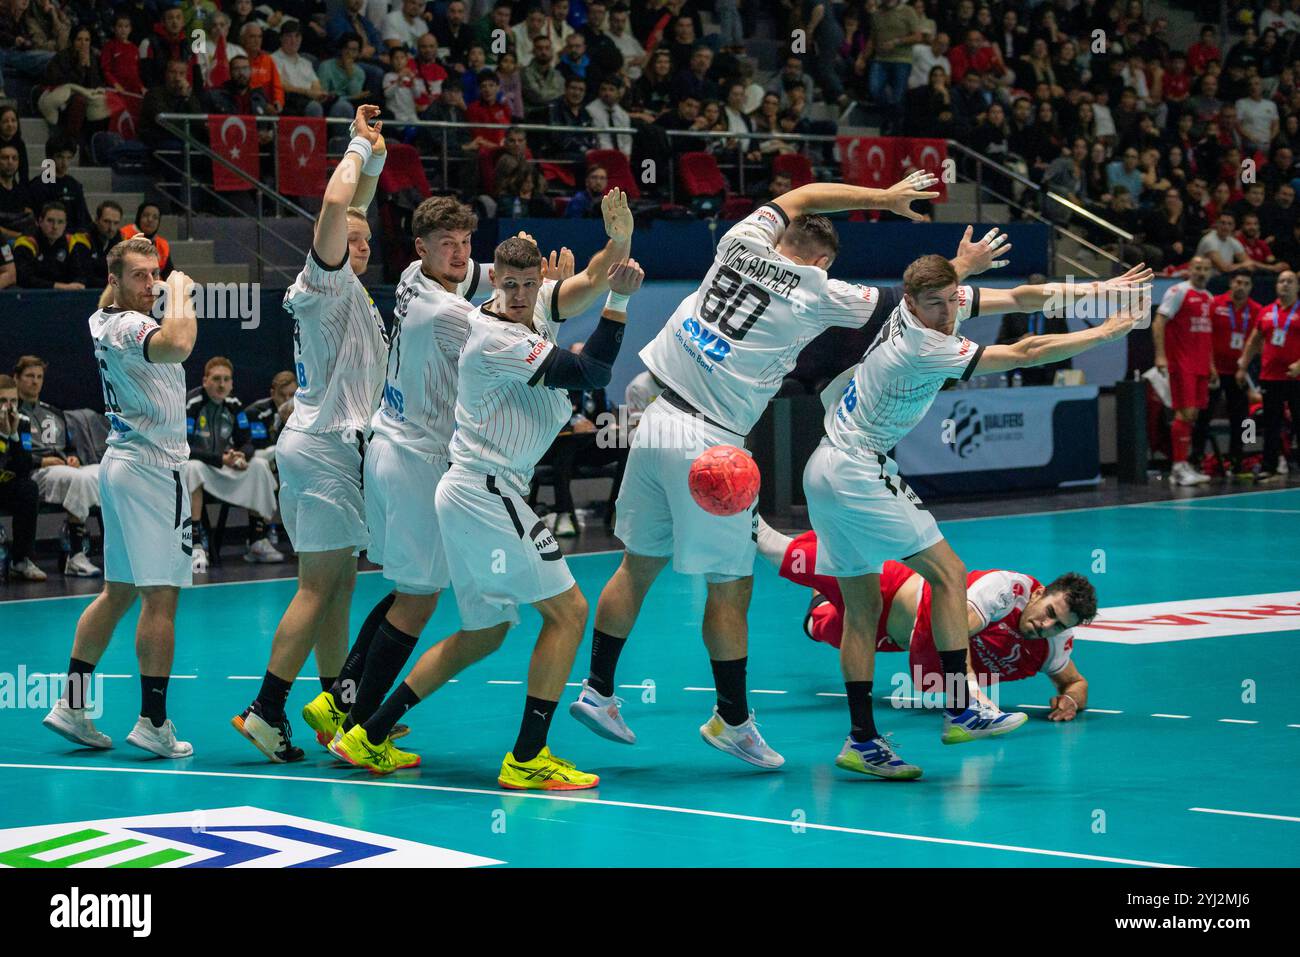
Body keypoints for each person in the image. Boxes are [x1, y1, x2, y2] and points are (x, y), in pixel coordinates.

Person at [572, 174, 1003, 767]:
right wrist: (958, 266)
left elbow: (802, 195)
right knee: (730, 587)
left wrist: (880, 198)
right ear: (822, 260)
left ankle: (597, 690)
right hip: (711, 443)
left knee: (637, 564)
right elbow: (911, 307)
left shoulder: (740, 241)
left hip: (654, 417)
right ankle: (732, 720)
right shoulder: (820, 291)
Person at [804, 255, 1147, 778]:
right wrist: (1103, 333)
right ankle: (961, 707)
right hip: (857, 466)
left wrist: (1099, 288)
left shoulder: (936, 303)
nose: (945, 313)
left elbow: (1023, 298)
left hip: (824, 464)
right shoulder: (924, 345)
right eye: (934, 304)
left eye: (951, 300)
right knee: (949, 574)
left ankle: (862, 741)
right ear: (910, 302)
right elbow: (1026, 349)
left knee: (860, 610)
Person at [330, 238, 644, 789]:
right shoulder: (495, 337)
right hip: (486, 492)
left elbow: (565, 298)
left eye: (530, 286)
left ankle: (367, 732)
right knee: (569, 613)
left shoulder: (519, 317)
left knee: (487, 631)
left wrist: (613, 242)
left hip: (474, 491)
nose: (520, 296)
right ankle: (527, 757)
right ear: (493, 280)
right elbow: (593, 370)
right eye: (511, 285)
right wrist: (617, 302)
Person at [298, 196, 492, 754]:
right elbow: (508, 336)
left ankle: (340, 702)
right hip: (415, 463)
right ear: (422, 249)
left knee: (410, 589)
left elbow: (486, 277)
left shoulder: (411, 278)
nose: (460, 255)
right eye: (447, 245)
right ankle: (361, 731)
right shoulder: (452, 315)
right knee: (421, 598)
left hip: (388, 450)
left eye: (465, 244)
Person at [232, 106, 389, 764]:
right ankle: (265, 709)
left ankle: (338, 705)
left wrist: (375, 158)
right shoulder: (324, 282)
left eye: (364, 237)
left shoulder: (346, 282)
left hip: (326, 450)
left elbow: (353, 206)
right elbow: (335, 202)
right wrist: (354, 145)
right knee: (318, 585)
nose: (360, 243)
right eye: (348, 237)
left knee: (339, 583)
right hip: (324, 451)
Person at [41, 239, 198, 758]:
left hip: (122, 464)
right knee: (161, 596)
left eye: (156, 274)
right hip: (154, 470)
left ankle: (72, 705)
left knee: (119, 592)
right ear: (114, 280)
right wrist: (179, 294)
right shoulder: (132, 325)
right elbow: (177, 345)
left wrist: (157, 287)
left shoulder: (101, 319)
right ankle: (154, 721)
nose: (150, 284)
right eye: (139, 276)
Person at [757, 524, 1093, 721]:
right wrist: (971, 695)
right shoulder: (1007, 590)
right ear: (1038, 594)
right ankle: (741, 512)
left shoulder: (1051, 645)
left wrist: (1072, 701)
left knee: (817, 626)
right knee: (781, 553)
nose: (1047, 626)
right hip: (889, 587)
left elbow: (1075, 682)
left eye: (1059, 625)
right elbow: (955, 630)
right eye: (1050, 613)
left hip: (889, 638)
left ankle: (825, 585)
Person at [183, 356, 283, 570]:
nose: (221, 384)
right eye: (216, 379)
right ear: (205, 381)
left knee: (258, 465)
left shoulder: (234, 405)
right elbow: (185, 447)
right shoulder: (192, 404)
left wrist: (240, 457)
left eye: (226, 379)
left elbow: (247, 442)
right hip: (205, 467)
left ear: (232, 383)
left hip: (226, 466)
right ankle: (196, 544)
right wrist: (221, 459)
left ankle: (257, 541)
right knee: (191, 468)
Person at [13, 354, 100, 576]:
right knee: (78, 479)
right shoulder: (11, 413)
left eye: (39, 377)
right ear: (16, 379)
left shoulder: (54, 412)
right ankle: (76, 554)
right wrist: (42, 460)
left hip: (62, 467)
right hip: (35, 471)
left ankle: (114, 547)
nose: (35, 381)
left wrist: (74, 457)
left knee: (103, 474)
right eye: (29, 376)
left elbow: (70, 446)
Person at [1154, 256, 1216, 486]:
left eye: (1206, 269)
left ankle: (1184, 464)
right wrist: (1160, 355)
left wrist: (1210, 365)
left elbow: (1206, 335)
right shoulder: (1178, 291)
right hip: (1182, 363)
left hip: (1200, 364)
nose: (1201, 272)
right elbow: (1158, 322)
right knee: (1185, 413)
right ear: (1190, 269)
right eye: (1198, 268)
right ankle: (1178, 468)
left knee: (1194, 415)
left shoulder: (1208, 297)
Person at [1237, 270, 1300, 479]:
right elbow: (1254, 341)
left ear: (1297, 287)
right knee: (1272, 424)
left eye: (1290, 281)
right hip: (1270, 377)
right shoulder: (1266, 312)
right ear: (1276, 286)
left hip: (1296, 378)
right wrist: (1243, 366)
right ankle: (1269, 467)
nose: (1285, 285)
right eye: (1281, 281)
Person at [1198, 273, 1263, 477]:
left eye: (1246, 283)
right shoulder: (1215, 304)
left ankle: (1238, 459)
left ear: (1251, 287)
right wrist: (1210, 367)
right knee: (1203, 416)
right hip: (1214, 372)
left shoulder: (1256, 310)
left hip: (1239, 373)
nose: (1241, 286)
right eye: (1237, 282)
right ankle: (1196, 459)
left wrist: (1245, 366)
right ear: (1230, 284)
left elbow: (1258, 343)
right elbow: (1204, 336)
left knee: (1244, 419)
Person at [0, 373, 45, 581]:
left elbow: (24, 467)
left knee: (28, 488)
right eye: (2, 401)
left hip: (7, 485)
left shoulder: (23, 422)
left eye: (13, 401)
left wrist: (14, 435)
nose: (8, 407)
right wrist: (3, 436)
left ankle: (21, 559)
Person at [12, 201, 92, 290]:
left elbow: (80, 275)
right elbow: (24, 279)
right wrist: (59, 286)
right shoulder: (26, 243)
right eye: (50, 221)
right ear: (40, 221)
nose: (55, 227)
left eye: (60, 222)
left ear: (65, 224)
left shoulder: (70, 242)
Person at [119, 202, 171, 279]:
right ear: (138, 217)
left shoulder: (162, 244)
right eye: (146, 215)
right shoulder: (123, 235)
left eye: (155, 217)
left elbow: (168, 273)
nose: (150, 220)